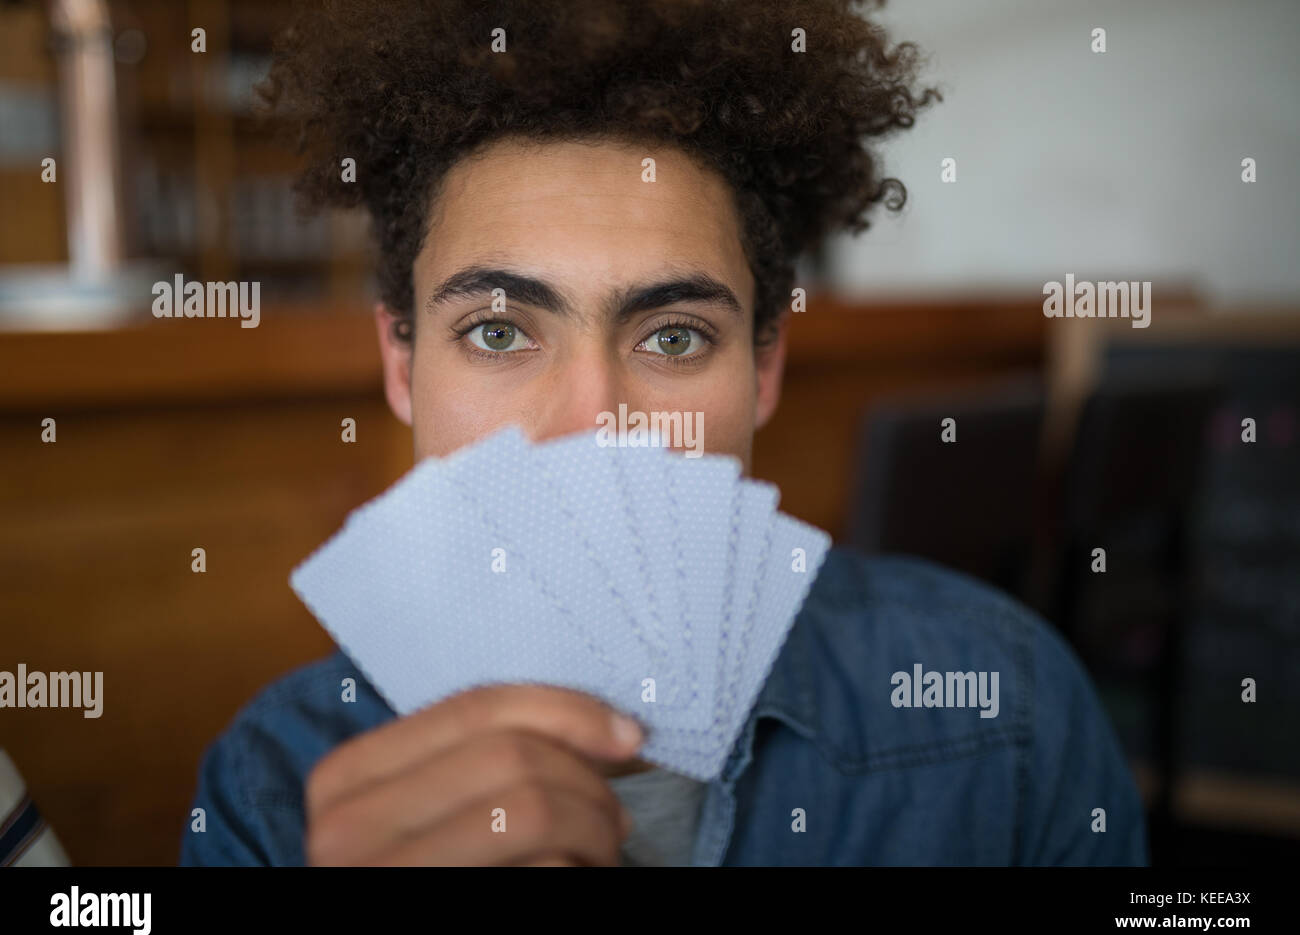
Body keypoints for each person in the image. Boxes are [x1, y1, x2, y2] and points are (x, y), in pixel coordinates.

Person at [181, 0, 1147, 866]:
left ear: (764, 368)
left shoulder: (998, 702)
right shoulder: (275, 795)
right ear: (402, 369)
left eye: (674, 336)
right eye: (500, 331)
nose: (594, 425)